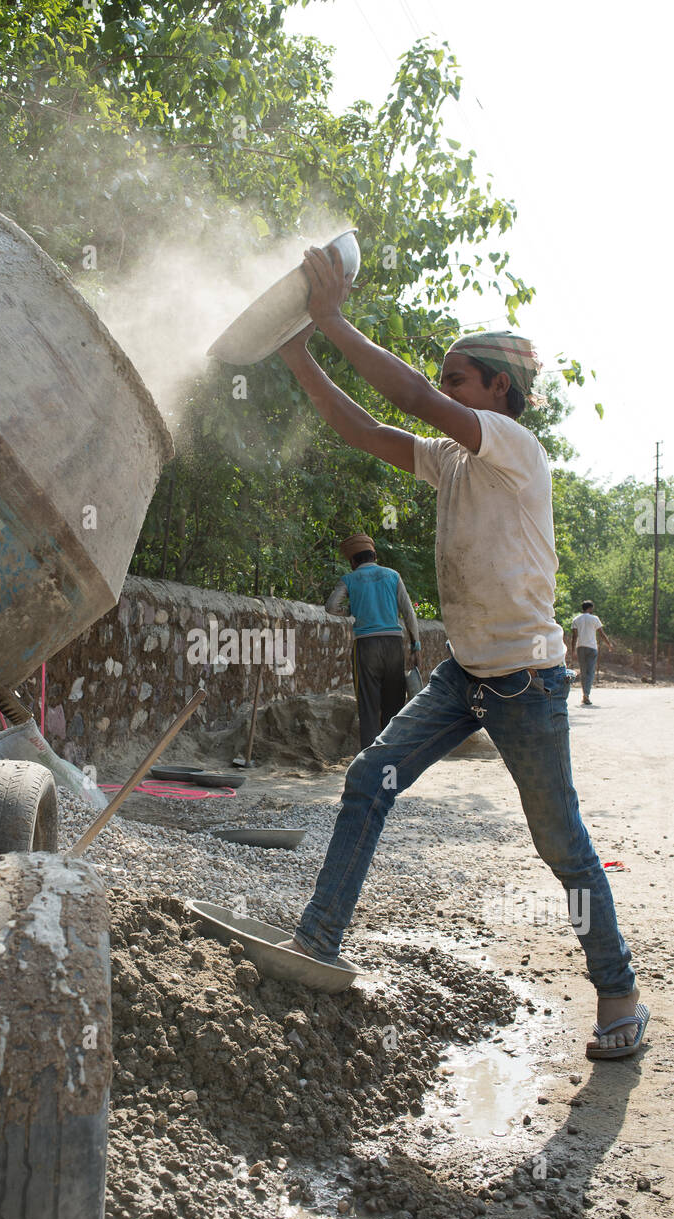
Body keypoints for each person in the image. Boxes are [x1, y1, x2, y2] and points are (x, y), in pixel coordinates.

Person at [275, 244, 648, 1061]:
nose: (440, 394)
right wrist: (298, 348)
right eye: (442, 382)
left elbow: (402, 393)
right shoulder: (449, 460)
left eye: (455, 382)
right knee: (365, 779)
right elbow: (365, 426)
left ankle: (616, 988)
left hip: (527, 684)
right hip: (460, 677)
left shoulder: (512, 447)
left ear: (497, 394)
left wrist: (332, 316)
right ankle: (316, 938)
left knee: (563, 848)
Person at [325, 533, 421, 748]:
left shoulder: (349, 579)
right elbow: (408, 612)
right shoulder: (393, 576)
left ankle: (370, 756)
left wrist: (350, 610)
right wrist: (416, 646)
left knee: (368, 705)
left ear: (352, 561)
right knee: (394, 703)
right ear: (374, 555)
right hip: (394, 644)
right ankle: (392, 752)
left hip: (366, 646)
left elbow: (331, 607)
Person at [571, 600, 613, 706]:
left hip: (580, 647)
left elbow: (574, 637)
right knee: (590, 672)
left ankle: (584, 694)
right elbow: (601, 634)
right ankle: (586, 695)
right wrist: (609, 644)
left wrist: (573, 651)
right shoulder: (595, 619)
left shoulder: (576, 619)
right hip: (592, 648)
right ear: (589, 608)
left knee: (583, 672)